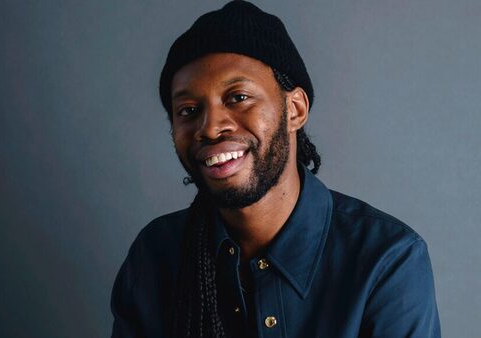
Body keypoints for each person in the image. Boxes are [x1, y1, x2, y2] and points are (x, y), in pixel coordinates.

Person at [110, 1, 441, 337]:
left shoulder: (386, 260)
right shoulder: (155, 256)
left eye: (238, 97)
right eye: (188, 110)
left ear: (295, 109)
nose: (209, 128)